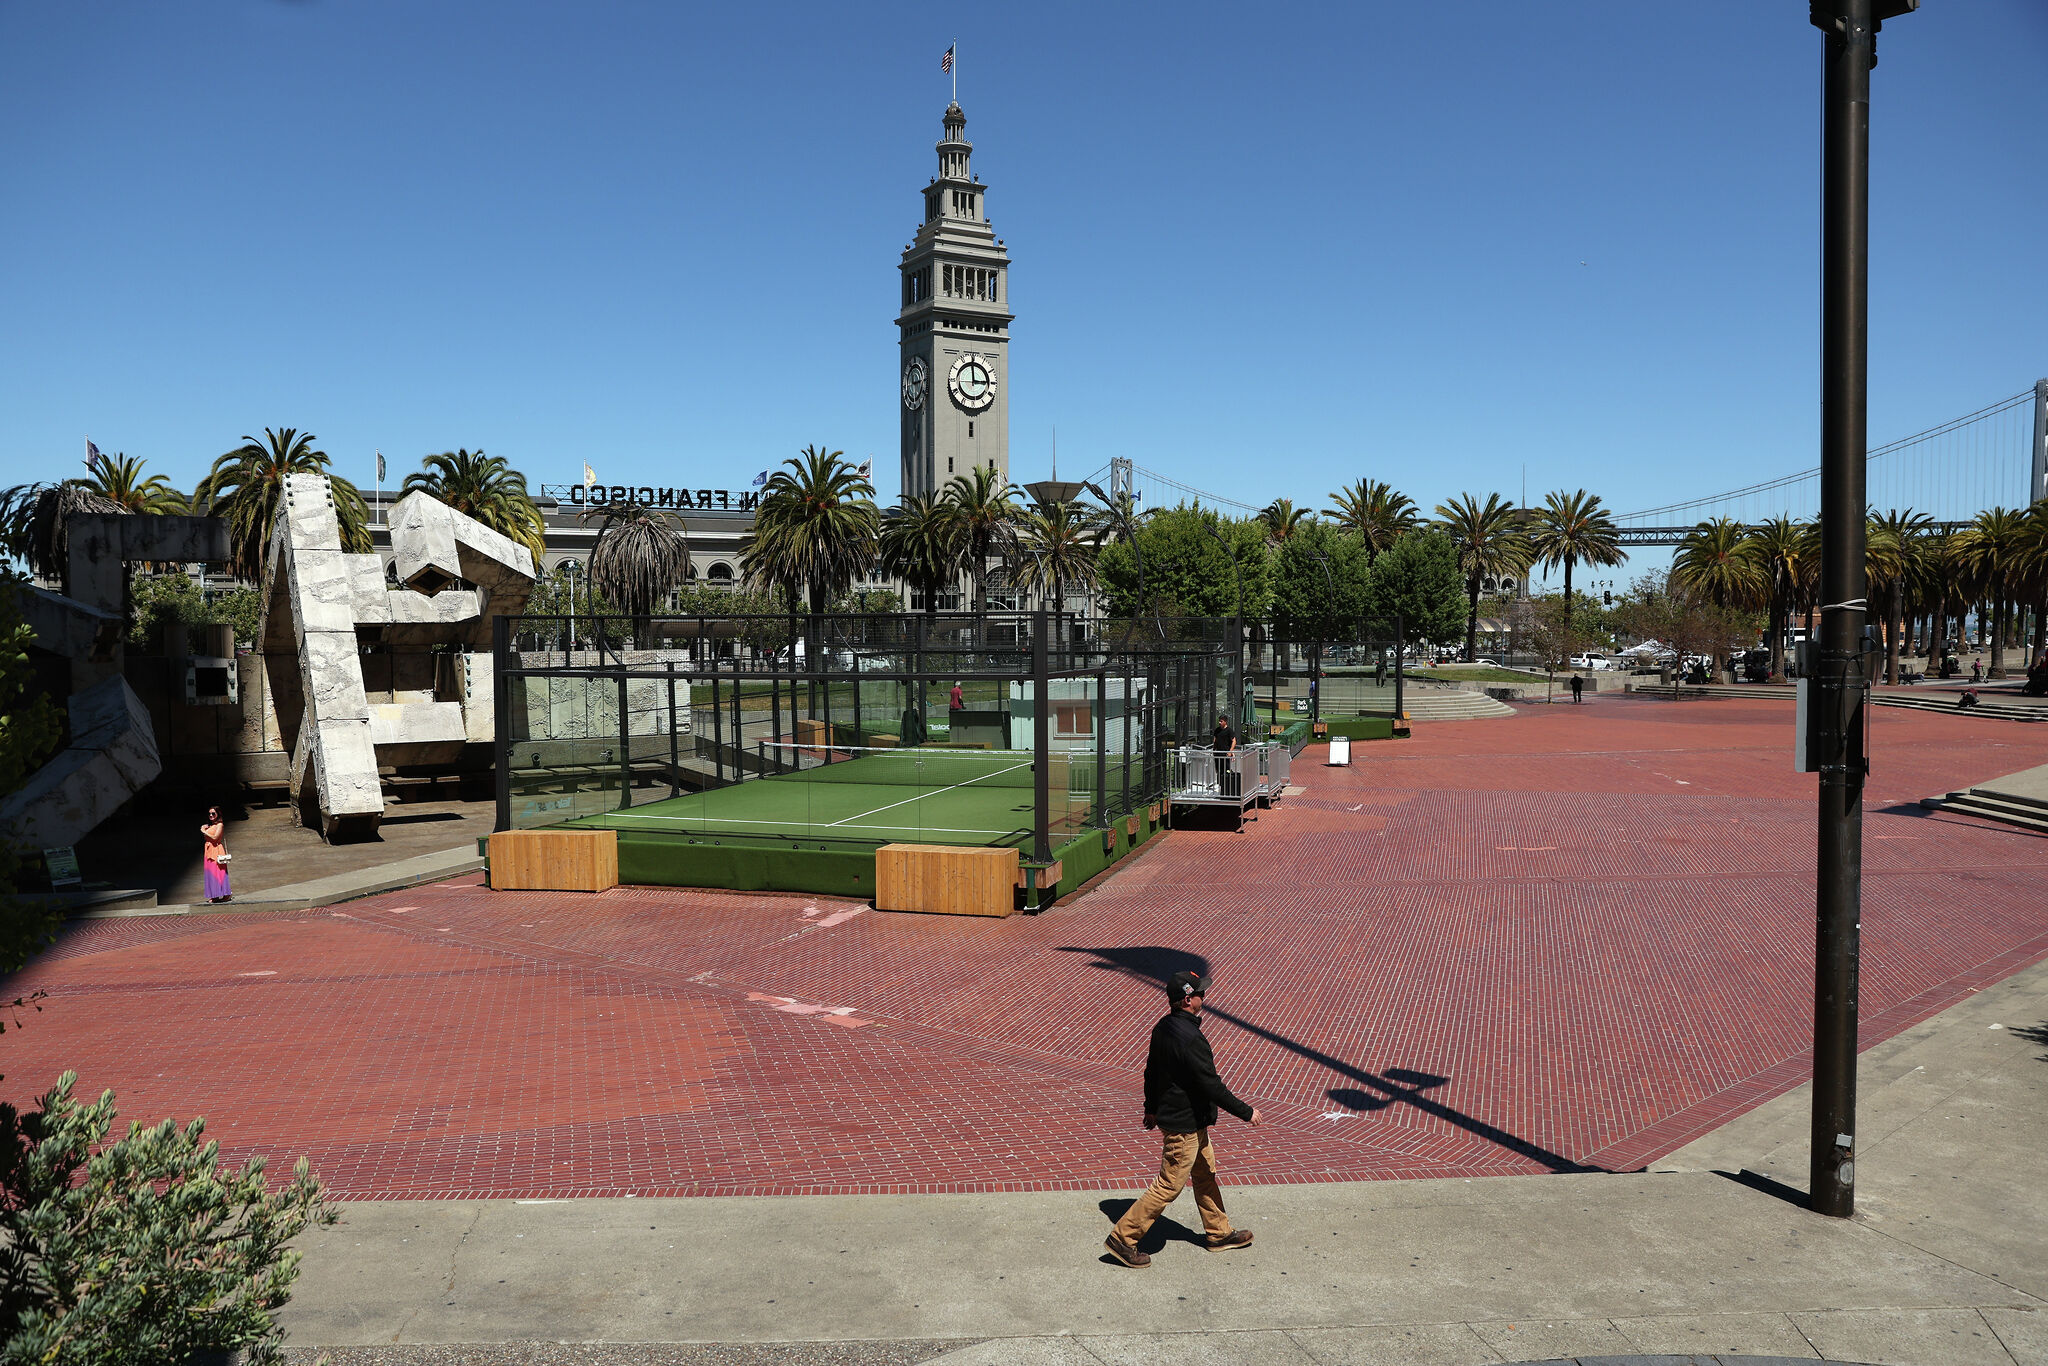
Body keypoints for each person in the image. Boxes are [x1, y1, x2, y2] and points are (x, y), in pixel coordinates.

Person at [1104, 971, 1261, 1268]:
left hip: (1191, 1121)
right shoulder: (1191, 1039)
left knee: (1205, 1174)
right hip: (1183, 1126)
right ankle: (1123, 1238)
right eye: (1200, 993)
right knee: (1168, 1185)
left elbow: (1152, 1072)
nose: (1205, 996)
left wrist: (1151, 1108)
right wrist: (1246, 1112)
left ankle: (1219, 1233)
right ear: (1188, 1000)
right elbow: (1211, 1085)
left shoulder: (1163, 1027)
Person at [201, 806, 231, 903]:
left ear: (218, 814)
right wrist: (206, 829)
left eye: (213, 813)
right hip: (209, 850)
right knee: (210, 873)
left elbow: (215, 837)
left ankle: (226, 894)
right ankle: (215, 895)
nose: (211, 815)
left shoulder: (220, 825)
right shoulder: (210, 825)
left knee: (218, 872)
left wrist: (204, 831)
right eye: (209, 813)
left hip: (216, 849)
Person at [1211, 713, 1237, 796]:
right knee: (1218, 770)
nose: (1219, 722)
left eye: (1221, 721)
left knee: (1226, 770)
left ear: (1225, 722)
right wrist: (1214, 749)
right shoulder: (1217, 730)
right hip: (1217, 754)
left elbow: (1234, 741)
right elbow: (1215, 740)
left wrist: (1230, 752)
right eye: (1219, 721)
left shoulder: (1229, 730)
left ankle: (1227, 787)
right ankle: (1220, 786)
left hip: (1225, 754)